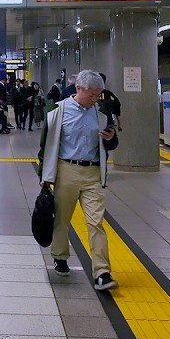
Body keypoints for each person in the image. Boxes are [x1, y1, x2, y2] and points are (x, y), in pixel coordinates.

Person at [38, 70, 119, 291]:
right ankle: (60, 256)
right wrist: (44, 178)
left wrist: (111, 138)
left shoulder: (102, 111)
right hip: (66, 170)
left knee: (96, 223)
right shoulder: (58, 110)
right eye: (91, 94)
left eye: (98, 95)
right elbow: (45, 145)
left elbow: (112, 143)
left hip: (93, 172)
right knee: (62, 218)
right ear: (78, 89)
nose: (95, 99)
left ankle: (102, 271)